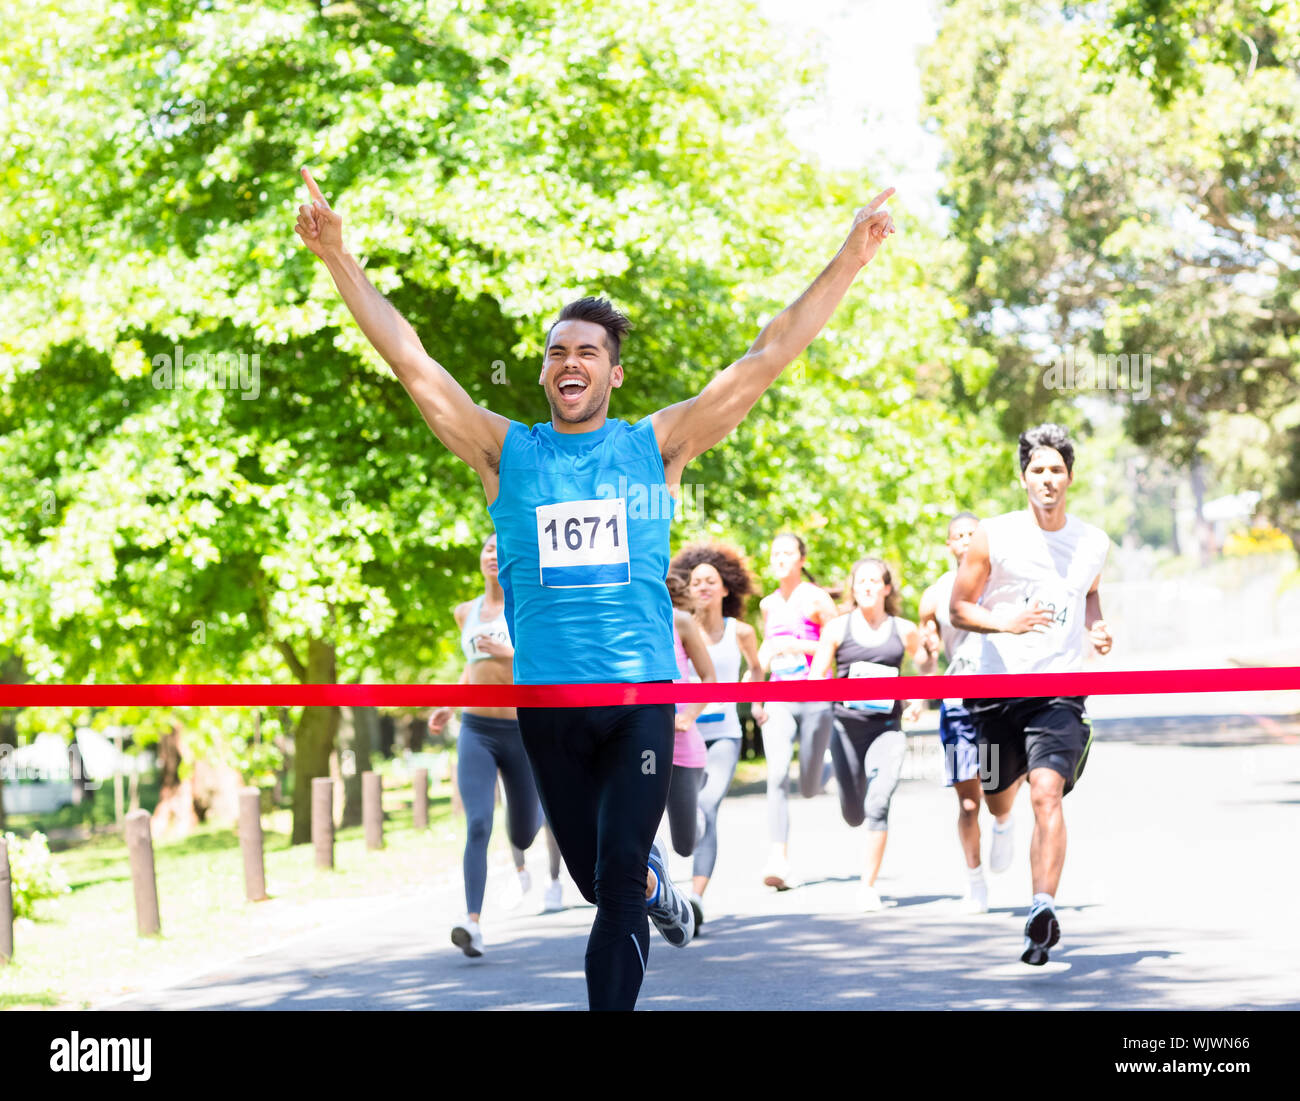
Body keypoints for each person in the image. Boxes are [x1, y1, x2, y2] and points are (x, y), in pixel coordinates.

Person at [294, 165, 897, 1009]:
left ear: (612, 375)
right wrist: (337, 259)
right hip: (549, 707)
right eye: (556, 352)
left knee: (612, 891)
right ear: (544, 375)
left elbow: (764, 359)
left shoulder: (656, 445)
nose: (568, 361)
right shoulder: (507, 452)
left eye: (587, 351)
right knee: (595, 881)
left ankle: (638, 907)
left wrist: (850, 258)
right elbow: (413, 363)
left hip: (639, 696)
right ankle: (659, 891)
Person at [949, 423, 1113, 965]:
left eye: (1056, 471)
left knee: (1046, 792)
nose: (1048, 479)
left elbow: (1089, 593)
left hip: (1058, 692)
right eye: (1038, 470)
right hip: (995, 691)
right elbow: (959, 609)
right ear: (1024, 479)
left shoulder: (1092, 542)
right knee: (1000, 794)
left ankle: (1041, 909)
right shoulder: (992, 535)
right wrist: (1005, 623)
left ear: (1070, 478)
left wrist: (1097, 627)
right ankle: (1000, 820)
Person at [426, 534, 554, 956]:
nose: (494, 555)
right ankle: (472, 923)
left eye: (502, 549)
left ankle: (530, 850)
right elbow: (470, 669)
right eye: (487, 549)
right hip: (476, 729)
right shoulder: (465, 613)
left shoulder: (529, 607)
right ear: (480, 560)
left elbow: (546, 665)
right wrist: (450, 704)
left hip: (521, 733)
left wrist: (506, 653)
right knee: (478, 822)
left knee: (523, 831)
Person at [811, 557, 934, 910]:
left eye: (872, 581)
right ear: (853, 588)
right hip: (845, 728)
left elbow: (926, 664)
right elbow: (817, 675)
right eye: (859, 581)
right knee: (854, 813)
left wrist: (919, 698)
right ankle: (854, 804)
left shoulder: (903, 629)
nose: (865, 586)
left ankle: (867, 886)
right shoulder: (837, 629)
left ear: (886, 588)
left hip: (887, 730)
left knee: (878, 803)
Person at [918, 511, 1013, 914]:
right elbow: (927, 660)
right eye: (958, 535)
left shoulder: (1002, 585)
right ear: (949, 545)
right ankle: (974, 881)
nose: (965, 540)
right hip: (957, 700)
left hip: (997, 696)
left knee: (994, 790)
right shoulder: (936, 594)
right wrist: (924, 657)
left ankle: (1004, 822)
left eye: (972, 534)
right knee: (968, 800)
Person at [671, 542, 762, 929]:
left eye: (712, 581)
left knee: (707, 807)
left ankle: (695, 897)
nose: (704, 587)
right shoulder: (675, 626)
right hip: (680, 734)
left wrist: (753, 700)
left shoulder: (739, 631)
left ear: (727, 589)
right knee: (684, 817)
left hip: (723, 733)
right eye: (696, 582)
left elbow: (757, 669)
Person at [755, 533, 838, 889]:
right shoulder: (767, 604)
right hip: (779, 695)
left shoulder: (815, 598)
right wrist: (756, 691)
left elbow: (837, 642)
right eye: (776, 553)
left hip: (816, 695)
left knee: (807, 786)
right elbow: (765, 650)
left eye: (788, 552)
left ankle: (829, 769)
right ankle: (778, 858)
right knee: (776, 776)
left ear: (801, 559)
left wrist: (796, 644)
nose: (781, 558)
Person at [659, 572, 717, 858]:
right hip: (639, 739)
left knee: (685, 845)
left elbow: (709, 678)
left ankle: (698, 815)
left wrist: (688, 716)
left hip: (681, 742)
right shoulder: (623, 623)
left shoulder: (679, 620)